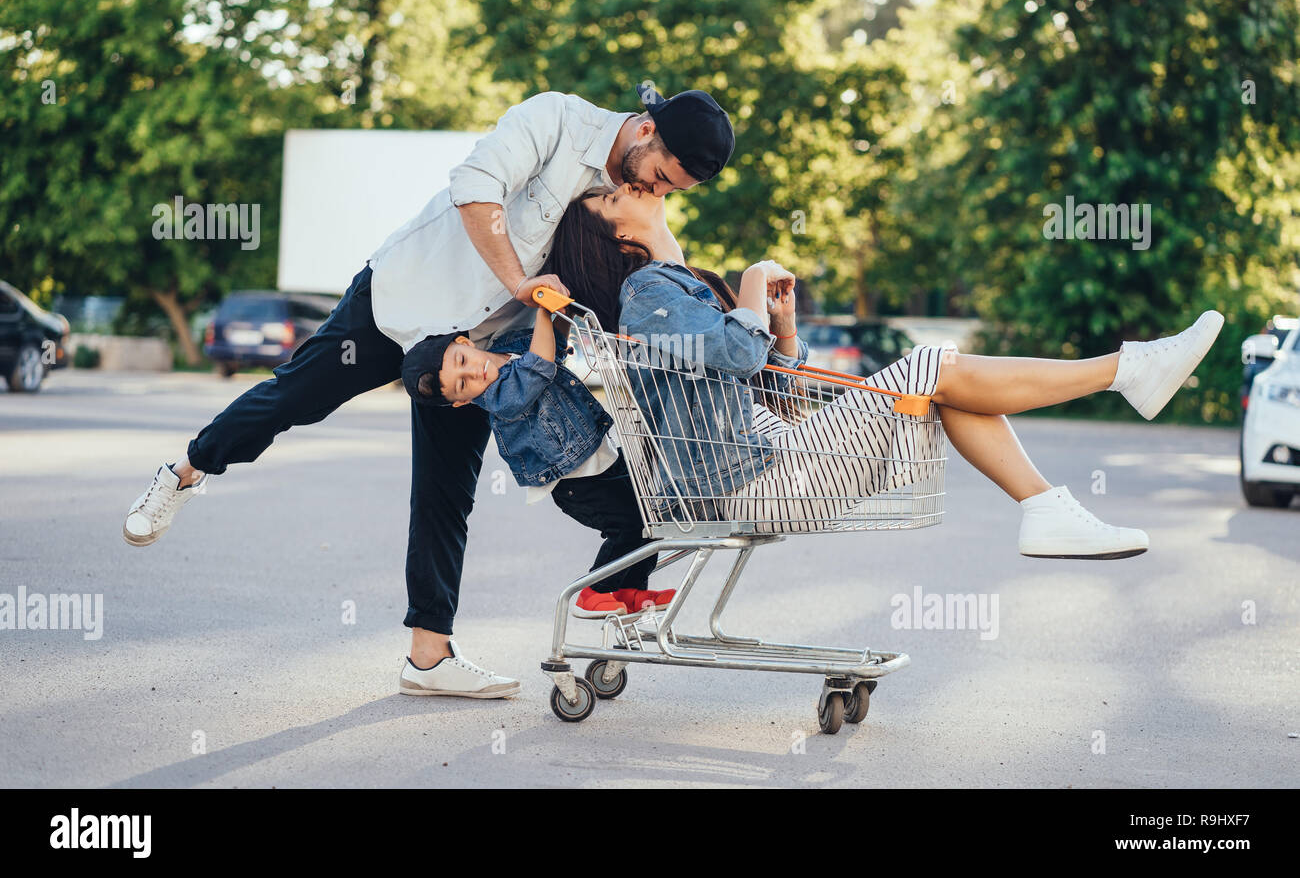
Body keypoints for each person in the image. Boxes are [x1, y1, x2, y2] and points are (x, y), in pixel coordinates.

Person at [119, 84, 734, 697]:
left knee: (446, 490)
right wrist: (519, 282)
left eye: (671, 191)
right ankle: (186, 470)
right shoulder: (558, 120)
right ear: (647, 131)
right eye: (661, 177)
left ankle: (428, 656)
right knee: (293, 397)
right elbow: (475, 188)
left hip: (477, 353)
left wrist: (658, 237)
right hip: (406, 303)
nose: (657, 191)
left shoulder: (635, 187)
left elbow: (666, 276)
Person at [543, 186, 1225, 555]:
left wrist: (784, 335)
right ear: (619, 235)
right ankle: (1127, 370)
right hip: (757, 484)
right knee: (931, 364)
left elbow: (765, 392)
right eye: (611, 197)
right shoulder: (648, 295)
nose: (628, 189)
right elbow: (734, 355)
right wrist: (752, 284)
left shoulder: (678, 290)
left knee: (945, 380)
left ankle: (1047, 507)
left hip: (781, 462)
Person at [397, 306, 675, 638]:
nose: (472, 375)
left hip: (599, 460)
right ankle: (594, 592)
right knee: (630, 524)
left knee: (649, 519)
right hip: (576, 483)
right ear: (461, 403)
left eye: (462, 362)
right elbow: (540, 366)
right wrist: (544, 306)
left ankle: (627, 590)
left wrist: (562, 309)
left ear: (464, 343)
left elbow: (553, 343)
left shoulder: (511, 343)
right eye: (462, 386)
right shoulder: (501, 398)